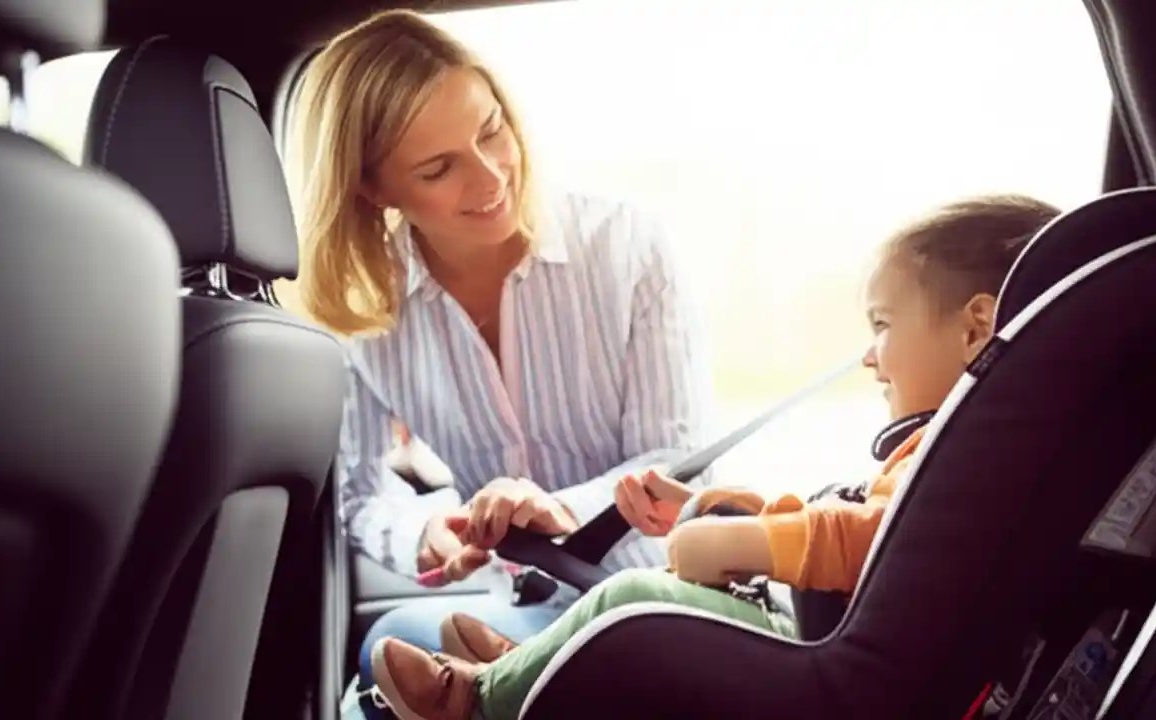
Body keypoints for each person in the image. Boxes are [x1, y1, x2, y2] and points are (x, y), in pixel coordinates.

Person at [362, 194, 1063, 720]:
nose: (869, 357)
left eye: (882, 325)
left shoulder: (969, 465)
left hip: (837, 661)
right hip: (833, 636)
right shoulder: (950, 448)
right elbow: (852, 523)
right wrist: (720, 510)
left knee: (631, 597)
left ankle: (479, 702)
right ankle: (533, 673)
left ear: (975, 328)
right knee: (635, 597)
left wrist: (741, 542)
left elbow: (867, 540)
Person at [282, 9, 714, 717]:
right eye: (438, 168)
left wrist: (560, 508)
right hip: (520, 606)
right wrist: (428, 532)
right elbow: (360, 494)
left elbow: (678, 461)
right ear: (373, 189)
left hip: (653, 594)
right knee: (388, 654)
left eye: (491, 132)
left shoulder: (627, 246)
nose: (490, 178)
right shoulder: (365, 310)